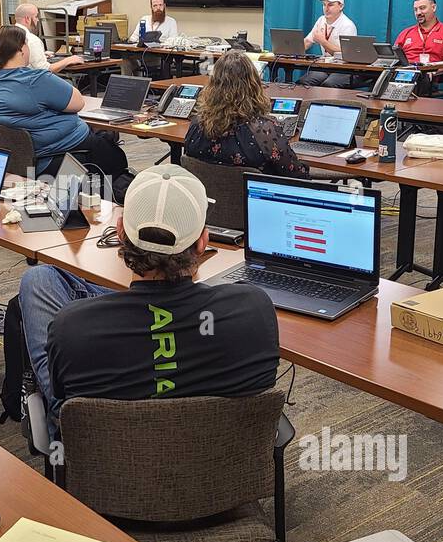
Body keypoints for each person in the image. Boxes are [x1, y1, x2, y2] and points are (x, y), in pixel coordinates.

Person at [18, 165, 281, 418]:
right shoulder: (254, 308)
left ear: (120, 232)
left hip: (104, 457)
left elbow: (62, 395)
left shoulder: (70, 327)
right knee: (41, 278)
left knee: (38, 278)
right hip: (223, 456)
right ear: (203, 242)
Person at [0, 24, 131, 199]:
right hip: (57, 153)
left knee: (103, 138)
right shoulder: (36, 80)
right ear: (22, 49)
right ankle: (110, 202)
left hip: (19, 160)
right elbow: (78, 103)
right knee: (116, 157)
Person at [184, 50, 309, 178]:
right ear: (254, 85)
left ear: (212, 84)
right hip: (254, 197)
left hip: (207, 196)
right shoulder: (265, 132)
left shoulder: (196, 125)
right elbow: (297, 177)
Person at [297, 0, 360, 89]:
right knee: (303, 82)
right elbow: (308, 41)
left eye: (330, 5)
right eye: (324, 5)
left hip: (344, 69)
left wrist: (323, 41)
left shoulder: (348, 25)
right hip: (325, 67)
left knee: (329, 85)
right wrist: (291, 50)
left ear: (341, 6)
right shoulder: (321, 20)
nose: (326, 8)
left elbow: (345, 54)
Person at [394, 0, 443, 69]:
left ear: (433, 7)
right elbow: (395, 59)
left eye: (422, 8)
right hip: (406, 74)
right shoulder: (405, 33)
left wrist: (432, 71)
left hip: (432, 75)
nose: (418, 13)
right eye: (415, 10)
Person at [14, 3, 83, 73]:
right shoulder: (32, 40)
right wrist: (68, 60)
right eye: (36, 17)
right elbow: (44, 70)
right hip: (31, 80)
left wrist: (41, 55)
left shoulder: (9, 35)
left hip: (14, 79)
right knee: (69, 82)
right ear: (27, 19)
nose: (37, 20)